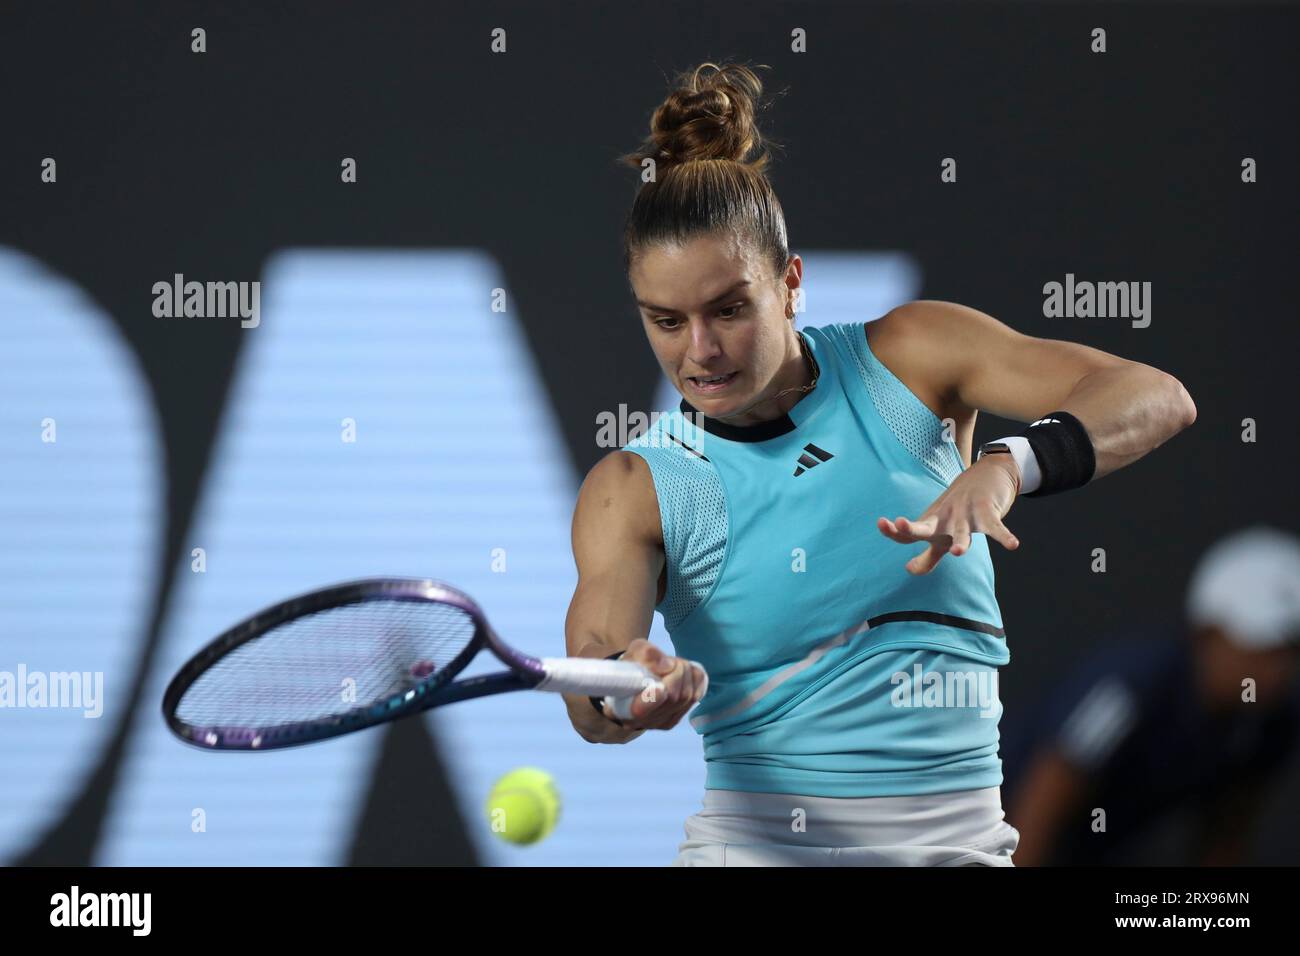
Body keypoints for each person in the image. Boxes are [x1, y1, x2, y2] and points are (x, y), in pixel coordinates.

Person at [559, 61, 1197, 866]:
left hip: (959, 849)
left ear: (791, 285)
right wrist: (628, 688)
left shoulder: (912, 359)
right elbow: (593, 678)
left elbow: (1155, 396)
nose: (701, 351)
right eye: (666, 320)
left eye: (729, 309)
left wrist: (1006, 463)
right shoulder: (635, 490)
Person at [1001, 527, 1300, 866]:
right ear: (1209, 632)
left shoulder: (1273, 722)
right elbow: (1045, 795)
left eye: (1291, 652)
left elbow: (1226, 832)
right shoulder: (1133, 682)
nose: (1278, 669)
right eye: (1263, 648)